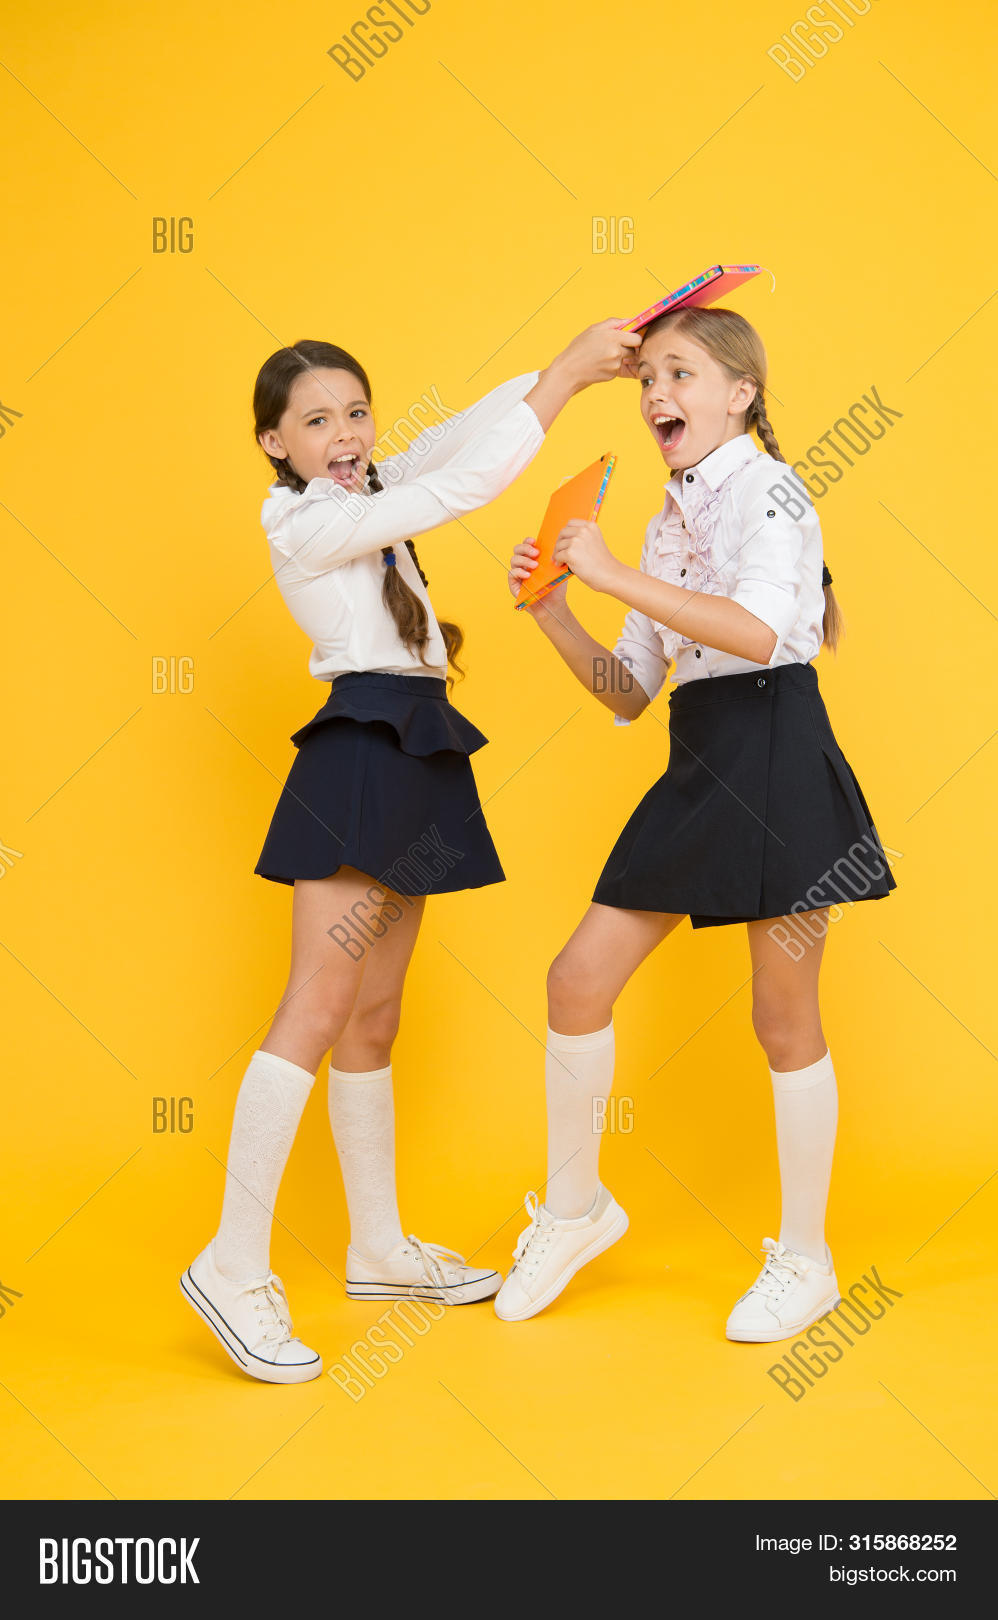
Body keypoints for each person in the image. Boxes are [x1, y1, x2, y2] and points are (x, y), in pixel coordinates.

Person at [180, 319, 641, 1382]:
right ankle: (231, 1260)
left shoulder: (366, 487)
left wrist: (558, 380)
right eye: (315, 421)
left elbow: (465, 439)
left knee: (376, 1012)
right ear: (272, 442)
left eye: (355, 412)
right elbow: (457, 491)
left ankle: (378, 1248)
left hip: (417, 745)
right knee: (318, 1001)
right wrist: (570, 370)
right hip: (360, 749)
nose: (343, 434)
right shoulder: (301, 520)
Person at [496, 304, 895, 1341]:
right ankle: (576, 1210)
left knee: (781, 1019)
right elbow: (629, 689)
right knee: (574, 981)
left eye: (679, 374)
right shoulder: (662, 513)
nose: (655, 394)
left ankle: (803, 1260)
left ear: (739, 395)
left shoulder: (768, 488)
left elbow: (763, 631)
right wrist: (552, 609)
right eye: (646, 379)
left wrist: (614, 575)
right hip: (700, 752)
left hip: (775, 753)